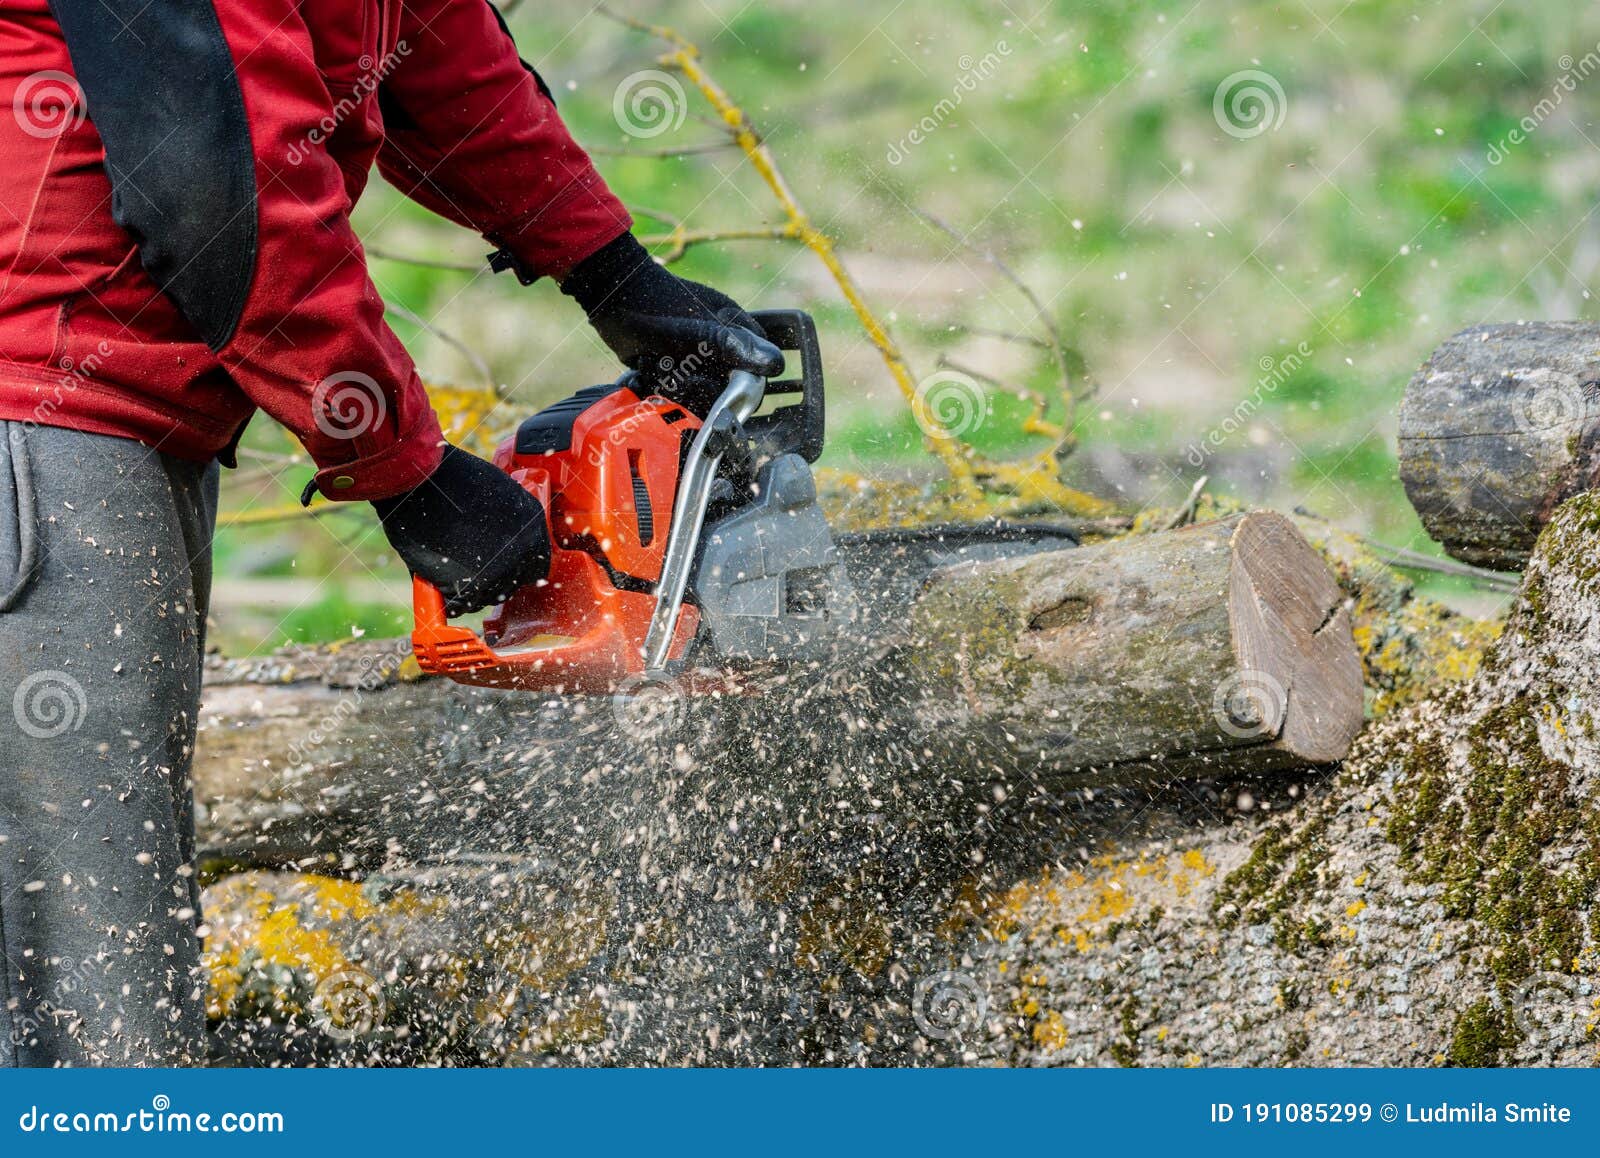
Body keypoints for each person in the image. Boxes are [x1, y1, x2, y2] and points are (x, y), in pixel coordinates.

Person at [0, 0, 781, 1066]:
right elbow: (219, 176)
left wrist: (611, 271)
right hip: (37, 405)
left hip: (111, 408)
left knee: (110, 901)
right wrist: (405, 471)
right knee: (88, 959)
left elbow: (434, 49)